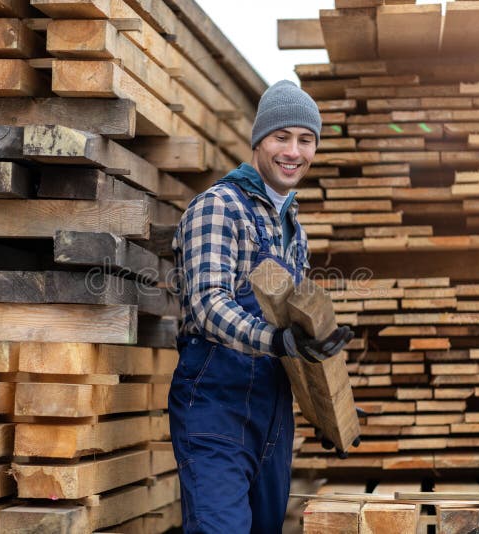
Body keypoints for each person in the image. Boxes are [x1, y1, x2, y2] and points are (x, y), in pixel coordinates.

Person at [168, 80, 355, 533]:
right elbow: (208, 304)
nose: (294, 151)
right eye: (281, 137)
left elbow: (295, 330)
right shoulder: (218, 207)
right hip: (216, 404)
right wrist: (276, 339)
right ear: (258, 142)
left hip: (273, 411)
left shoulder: (294, 229)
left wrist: (332, 406)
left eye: (306, 140)